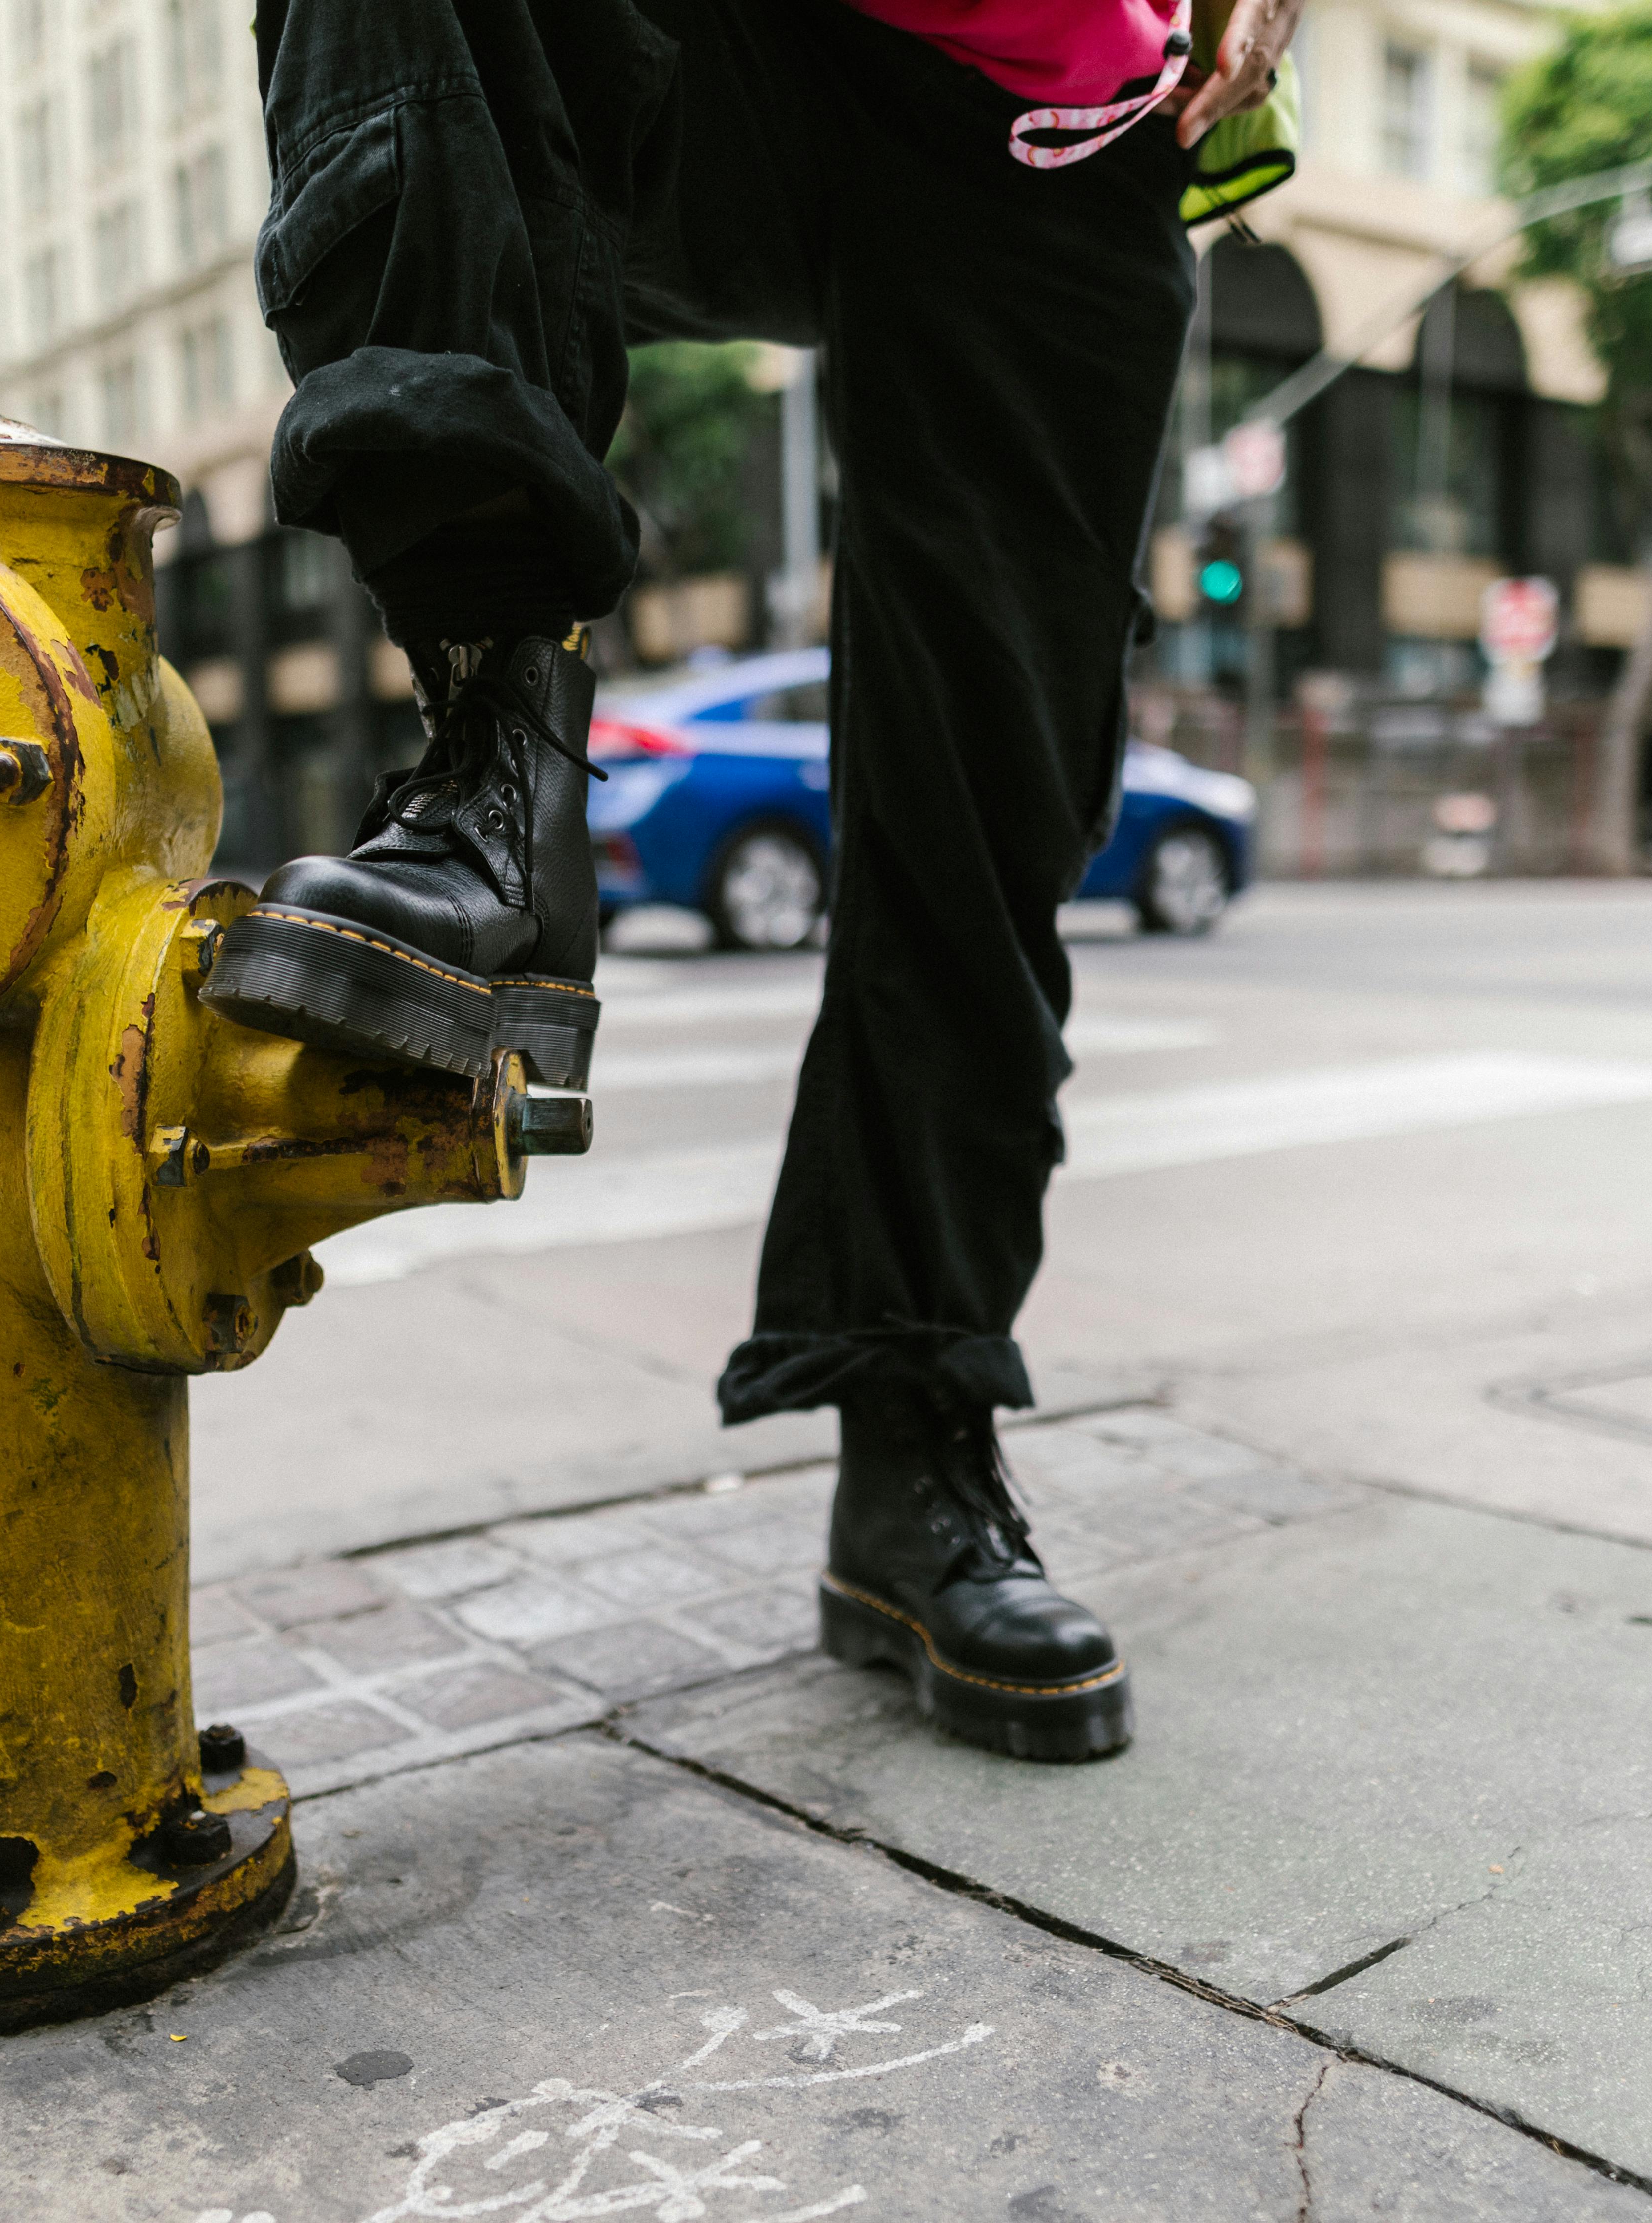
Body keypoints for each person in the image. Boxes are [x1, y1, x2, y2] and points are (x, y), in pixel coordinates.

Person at [203, 0, 1301, 1761]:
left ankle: (912, 1455)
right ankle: (503, 773)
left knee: (992, 784)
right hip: (721, 50)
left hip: (1067, 110)